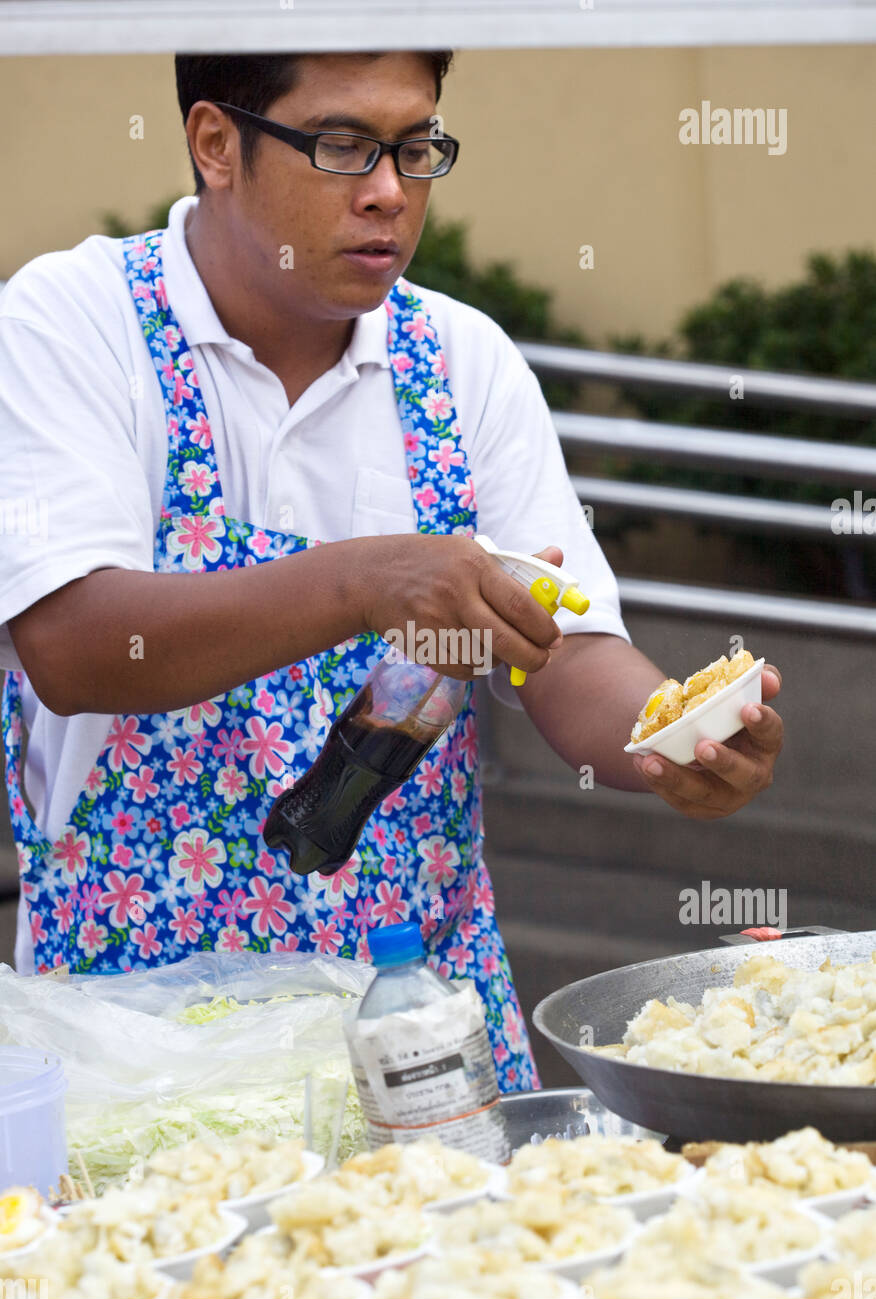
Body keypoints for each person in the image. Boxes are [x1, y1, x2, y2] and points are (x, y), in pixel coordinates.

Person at [0, 50, 783, 1091]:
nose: (388, 192)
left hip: (421, 1031)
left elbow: (565, 647)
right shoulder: (75, 321)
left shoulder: (462, 361)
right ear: (214, 144)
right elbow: (75, 645)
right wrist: (370, 582)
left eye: (416, 149)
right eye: (340, 146)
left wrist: (673, 738)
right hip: (137, 1051)